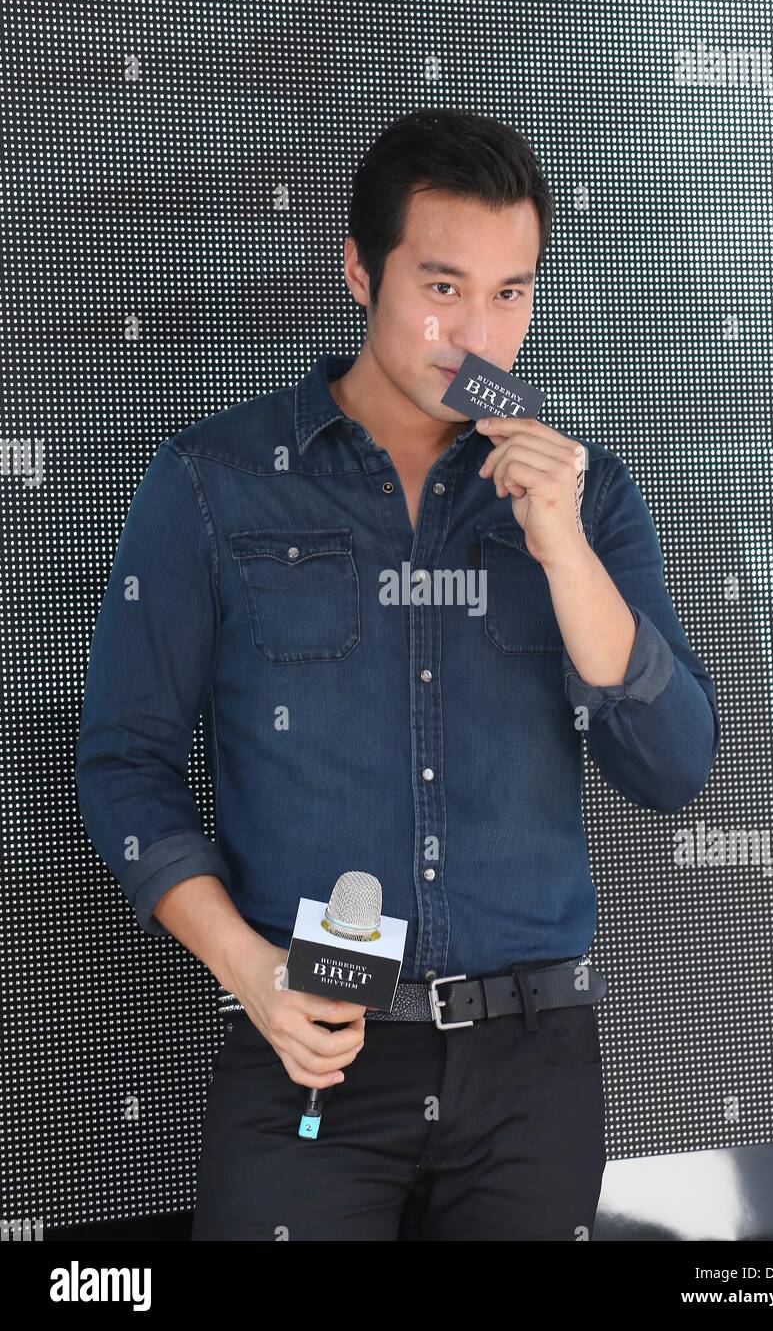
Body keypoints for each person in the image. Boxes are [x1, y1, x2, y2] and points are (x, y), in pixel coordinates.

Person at [75, 107, 720, 1241]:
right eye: (441, 287)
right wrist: (251, 970)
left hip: (535, 1061)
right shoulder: (214, 482)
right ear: (357, 271)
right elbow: (125, 767)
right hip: (315, 1042)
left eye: (510, 292)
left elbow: (671, 768)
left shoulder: (587, 493)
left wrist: (563, 551)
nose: (476, 336)